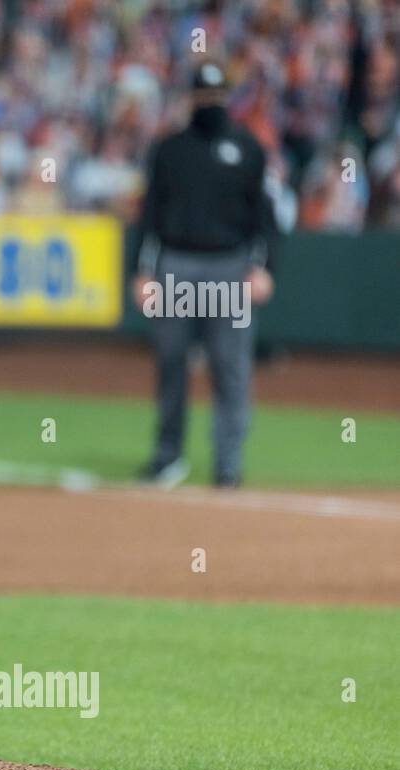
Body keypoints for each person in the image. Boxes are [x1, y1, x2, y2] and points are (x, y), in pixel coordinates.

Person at [131, 61, 278, 489]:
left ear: (227, 98)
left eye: (217, 96)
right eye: (204, 96)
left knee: (230, 367)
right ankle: (168, 455)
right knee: (171, 361)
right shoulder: (170, 149)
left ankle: (228, 463)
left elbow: (266, 221)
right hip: (176, 265)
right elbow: (149, 217)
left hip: (229, 267)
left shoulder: (248, 149)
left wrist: (265, 267)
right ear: (191, 98)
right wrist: (142, 271)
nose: (210, 103)